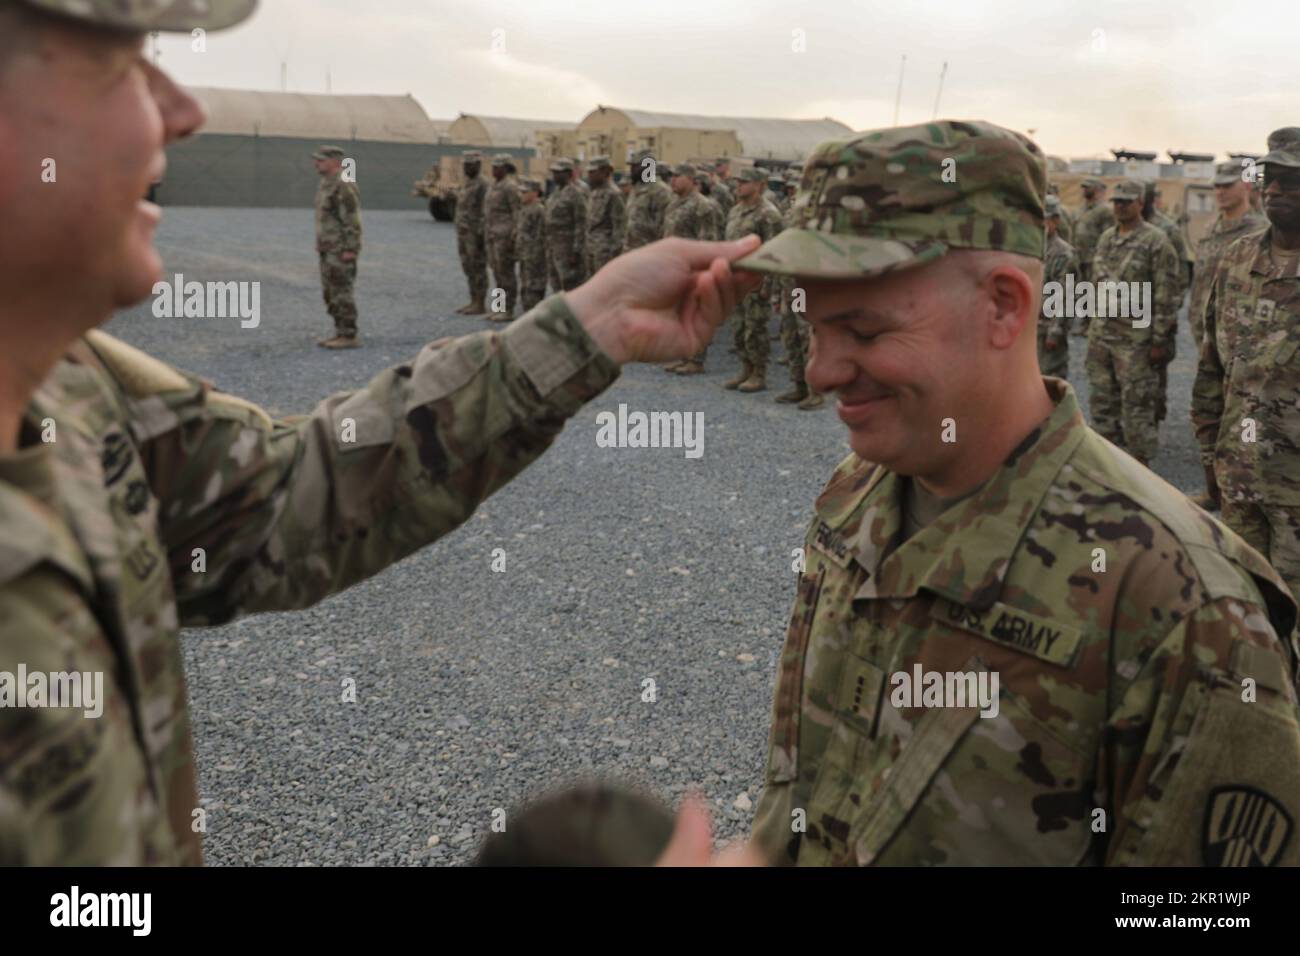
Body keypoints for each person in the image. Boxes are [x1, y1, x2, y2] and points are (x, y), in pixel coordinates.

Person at [0, 0, 762, 864]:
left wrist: (589, 326)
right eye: (123, 64)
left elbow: (286, 496)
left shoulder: (75, 390)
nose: (183, 111)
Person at [735, 119, 1300, 866]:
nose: (821, 372)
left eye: (864, 331)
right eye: (816, 330)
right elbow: (803, 788)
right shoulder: (858, 495)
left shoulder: (1185, 608)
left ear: (1003, 305)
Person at [1192, 127, 1300, 611]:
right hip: (1239, 474)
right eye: (1269, 178)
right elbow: (1212, 364)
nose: (1274, 190)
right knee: (1246, 608)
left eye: (1290, 181)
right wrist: (1209, 450)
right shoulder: (1237, 260)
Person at [1084, 179, 1180, 466]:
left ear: (1140, 203)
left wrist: (1160, 339)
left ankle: (1141, 470)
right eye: (1116, 201)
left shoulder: (1155, 241)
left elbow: (1166, 293)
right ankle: (1107, 467)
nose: (1120, 206)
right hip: (1102, 335)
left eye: (1126, 201)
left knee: (1136, 406)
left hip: (1136, 340)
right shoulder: (1106, 238)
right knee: (1102, 402)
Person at [722, 167, 782, 393]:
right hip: (735, 278)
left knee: (755, 328)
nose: (739, 185)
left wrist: (768, 284)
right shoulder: (736, 210)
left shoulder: (768, 214)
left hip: (755, 279)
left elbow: (774, 251)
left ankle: (759, 373)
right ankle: (745, 368)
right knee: (738, 326)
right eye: (738, 181)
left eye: (745, 182)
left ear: (760, 185)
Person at [312, 144, 363, 348]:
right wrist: (321, 243)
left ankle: (348, 334)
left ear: (334, 162)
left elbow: (352, 220)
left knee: (342, 290)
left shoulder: (344, 184)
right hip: (328, 247)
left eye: (321, 160)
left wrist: (351, 248)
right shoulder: (326, 183)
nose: (316, 164)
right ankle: (339, 330)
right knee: (330, 291)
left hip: (341, 249)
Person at [1038, 195, 1077, 379]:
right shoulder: (1033, 248)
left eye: (1044, 219)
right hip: (1030, 328)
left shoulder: (1063, 253)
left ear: (1055, 220)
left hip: (1048, 329)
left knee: (1049, 381)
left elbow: (1067, 297)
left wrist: (1055, 332)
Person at [484, 153, 521, 321]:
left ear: (506, 169)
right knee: (497, 274)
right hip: (492, 235)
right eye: (493, 166)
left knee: (506, 274)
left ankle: (508, 309)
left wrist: (514, 235)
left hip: (504, 236)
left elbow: (516, 212)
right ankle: (499, 307)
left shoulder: (510, 187)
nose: (494, 170)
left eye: (498, 167)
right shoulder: (494, 186)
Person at [584, 155, 626, 275]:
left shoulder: (614, 194)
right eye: (589, 172)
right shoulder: (595, 192)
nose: (589, 175)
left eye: (593, 172)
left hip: (605, 252)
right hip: (591, 249)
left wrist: (615, 255)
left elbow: (619, 227)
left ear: (605, 172)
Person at [514, 178, 549, 312]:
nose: (521, 195)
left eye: (525, 192)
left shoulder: (539, 210)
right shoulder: (525, 209)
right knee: (525, 285)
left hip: (535, 257)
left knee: (534, 287)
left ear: (535, 193)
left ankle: (534, 316)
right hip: (525, 255)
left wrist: (537, 256)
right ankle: (526, 312)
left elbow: (542, 236)